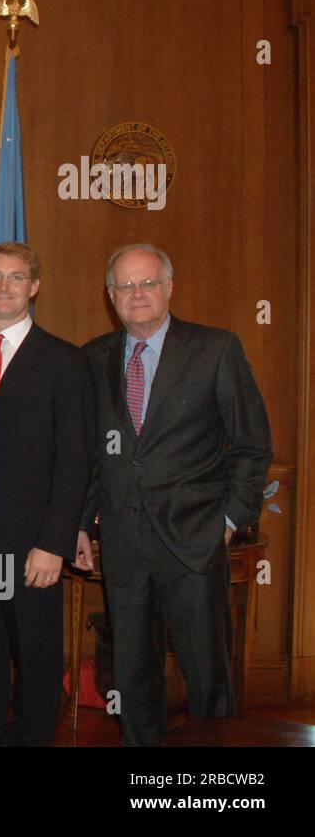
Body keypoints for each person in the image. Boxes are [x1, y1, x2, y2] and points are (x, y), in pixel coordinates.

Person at [78, 243, 271, 746]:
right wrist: (80, 523)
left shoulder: (215, 349)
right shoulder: (93, 358)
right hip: (122, 541)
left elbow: (252, 445)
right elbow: (90, 456)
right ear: (110, 295)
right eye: (125, 285)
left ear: (168, 288)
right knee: (133, 669)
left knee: (207, 669)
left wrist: (228, 522)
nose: (136, 294)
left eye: (146, 283)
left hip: (194, 538)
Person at [0, 243, 94, 746]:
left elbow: (76, 460)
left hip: (33, 547)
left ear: (34, 287)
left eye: (16, 278)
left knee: (35, 664)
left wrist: (54, 542)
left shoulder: (65, 362)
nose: (4, 286)